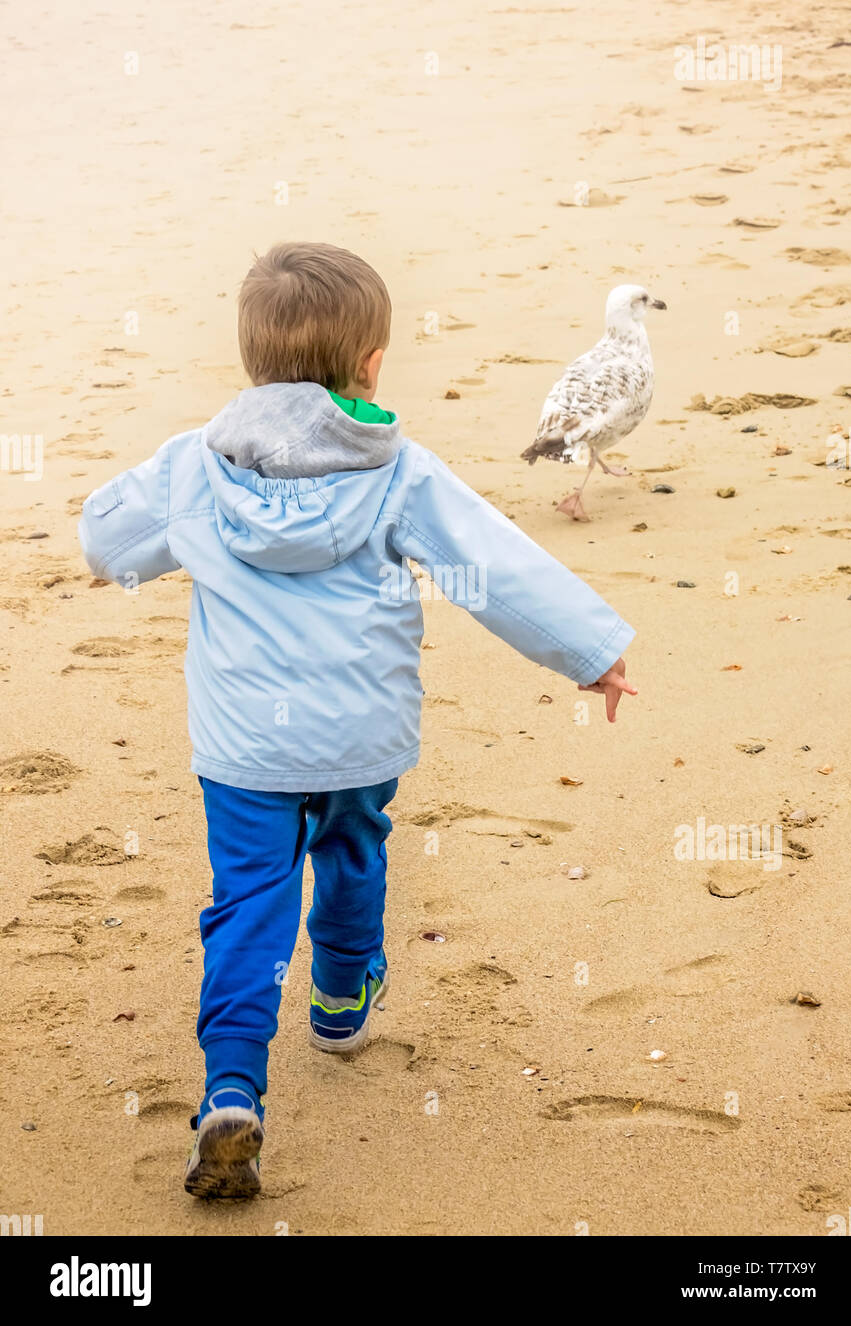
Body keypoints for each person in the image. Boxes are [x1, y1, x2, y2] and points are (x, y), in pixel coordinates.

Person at [78, 241, 636, 1199]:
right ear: (371, 365)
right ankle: (339, 1004)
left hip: (245, 748)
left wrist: (169, 507)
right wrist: (590, 652)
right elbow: (493, 568)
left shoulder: (192, 467)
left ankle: (231, 1090)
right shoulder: (400, 472)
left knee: (249, 900)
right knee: (352, 853)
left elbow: (106, 546)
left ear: (251, 362)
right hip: (360, 738)